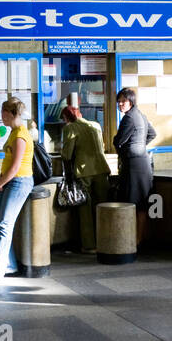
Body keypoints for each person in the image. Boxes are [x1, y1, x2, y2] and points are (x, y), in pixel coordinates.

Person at [0, 96, 34, 282]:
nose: (1, 117)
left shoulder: (20, 135)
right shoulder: (13, 132)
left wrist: (1, 182)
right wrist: (2, 180)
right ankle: (9, 263)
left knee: (4, 224)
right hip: (9, 181)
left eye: (3, 113)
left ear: (10, 113)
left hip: (19, 181)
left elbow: (16, 166)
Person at [59, 104, 110, 254]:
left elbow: (67, 155)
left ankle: (89, 246)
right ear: (80, 113)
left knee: (85, 210)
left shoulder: (70, 128)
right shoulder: (95, 125)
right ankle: (106, 241)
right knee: (103, 207)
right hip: (102, 169)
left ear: (66, 117)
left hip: (84, 171)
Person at [113, 88, 157, 245]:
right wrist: (140, 146)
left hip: (133, 165)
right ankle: (140, 237)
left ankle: (134, 239)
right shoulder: (141, 115)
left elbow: (118, 141)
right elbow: (153, 133)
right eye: (118, 101)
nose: (120, 104)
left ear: (131, 102)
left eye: (123, 101)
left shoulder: (129, 118)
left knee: (132, 203)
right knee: (141, 203)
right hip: (143, 163)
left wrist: (130, 148)